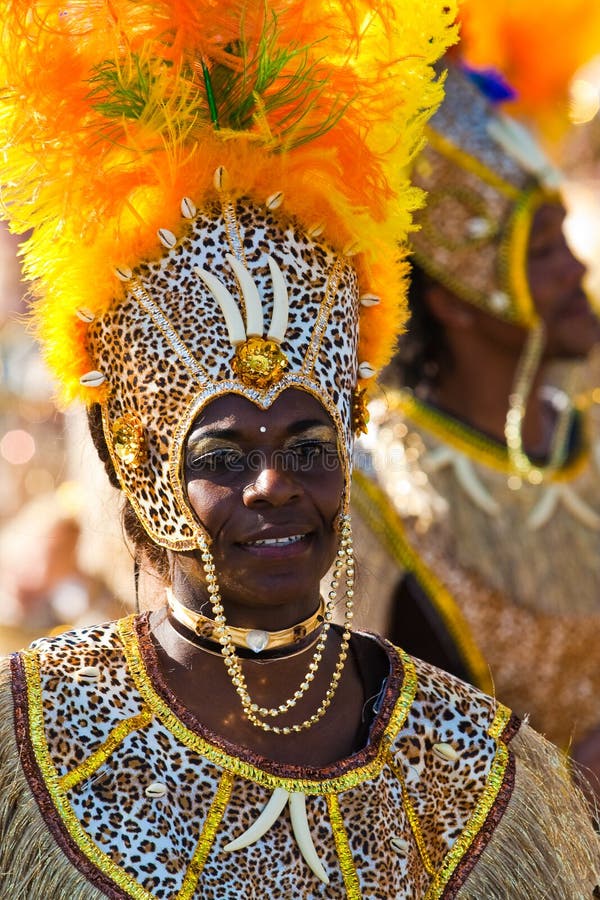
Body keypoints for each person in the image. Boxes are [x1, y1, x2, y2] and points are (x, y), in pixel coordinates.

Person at [0, 3, 598, 897]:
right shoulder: (32, 735)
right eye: (225, 455)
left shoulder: (475, 769)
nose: (277, 484)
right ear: (136, 458)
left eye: (311, 445)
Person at [351, 64, 600, 780]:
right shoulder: (380, 490)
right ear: (456, 301)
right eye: (545, 250)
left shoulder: (586, 423)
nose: (577, 269)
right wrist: (558, 790)